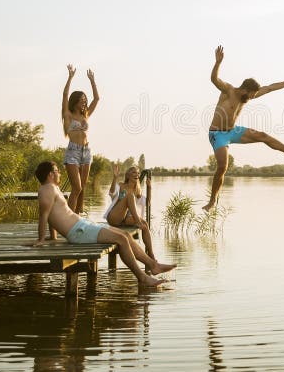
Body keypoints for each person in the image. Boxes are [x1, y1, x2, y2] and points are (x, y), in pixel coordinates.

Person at [31, 161, 176, 289]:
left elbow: (52, 215)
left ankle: (153, 265)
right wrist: (41, 239)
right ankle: (142, 278)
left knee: (125, 235)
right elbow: (44, 215)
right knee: (122, 239)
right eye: (57, 171)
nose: (60, 173)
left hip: (82, 225)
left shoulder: (52, 188)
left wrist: (53, 236)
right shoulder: (47, 189)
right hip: (78, 231)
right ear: (50, 174)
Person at [204, 45, 284, 211]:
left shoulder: (248, 96)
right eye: (251, 94)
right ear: (245, 89)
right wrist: (217, 63)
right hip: (217, 134)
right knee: (223, 166)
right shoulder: (228, 91)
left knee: (263, 136)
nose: (252, 98)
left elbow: (270, 88)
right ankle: (212, 201)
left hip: (233, 131)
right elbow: (214, 79)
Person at [62, 64, 98, 214]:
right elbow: (64, 96)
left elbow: (97, 98)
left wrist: (92, 80)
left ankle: (78, 216)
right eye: (82, 99)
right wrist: (70, 77)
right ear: (75, 101)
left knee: (82, 188)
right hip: (73, 152)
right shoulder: (68, 114)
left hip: (86, 151)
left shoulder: (85, 115)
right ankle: (68, 220)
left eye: (85, 99)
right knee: (76, 188)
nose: (84, 101)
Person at [103, 164, 156, 259]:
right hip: (114, 217)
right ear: (128, 175)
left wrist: (149, 188)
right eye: (134, 172)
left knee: (145, 224)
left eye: (138, 173)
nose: (137, 174)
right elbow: (111, 193)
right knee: (130, 196)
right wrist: (115, 178)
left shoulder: (137, 191)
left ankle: (151, 254)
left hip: (125, 220)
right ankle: (138, 222)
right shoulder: (121, 186)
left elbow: (147, 203)